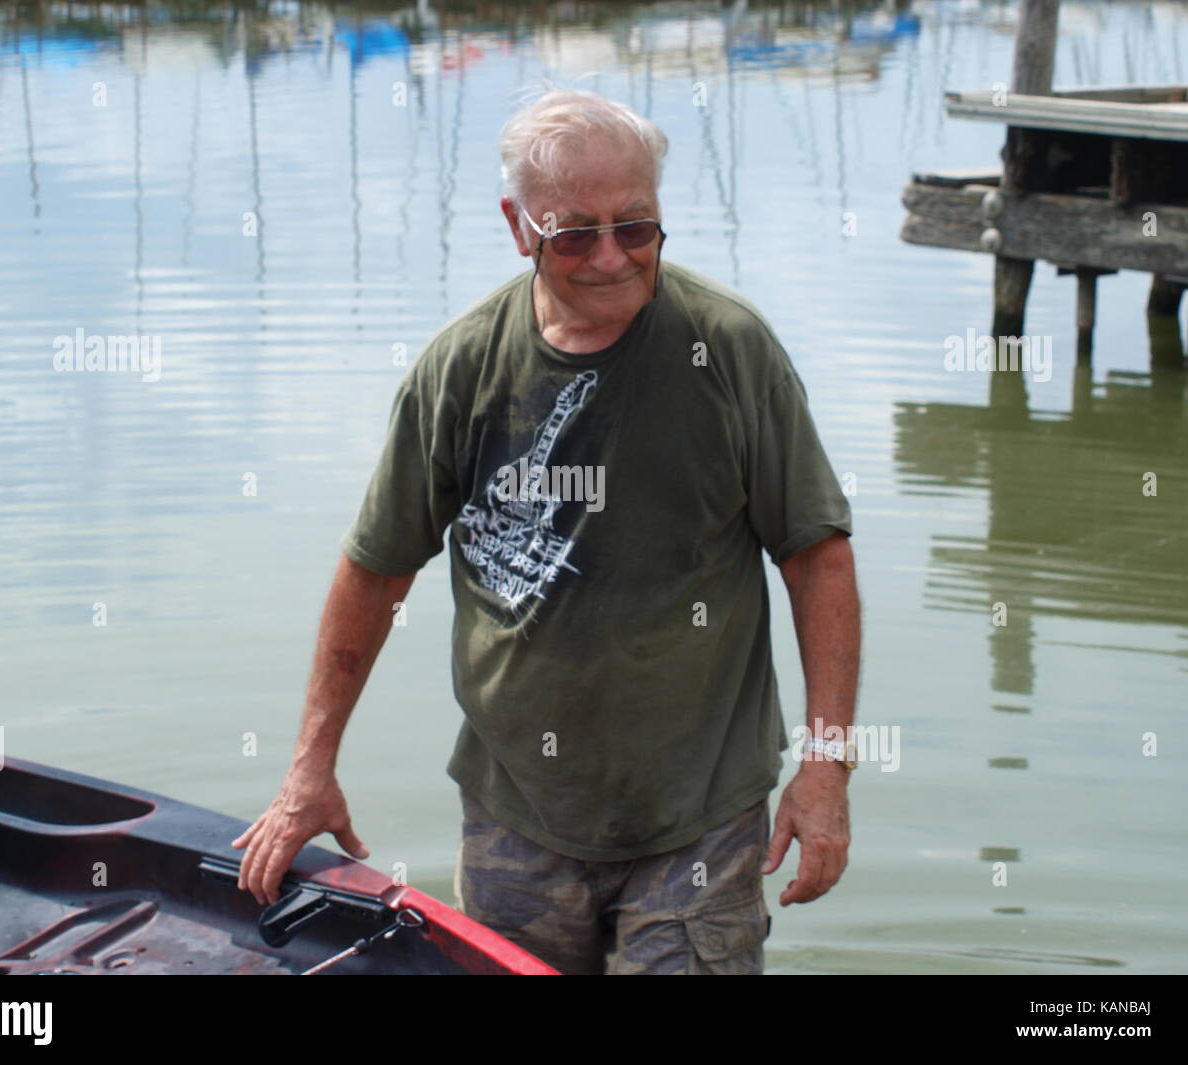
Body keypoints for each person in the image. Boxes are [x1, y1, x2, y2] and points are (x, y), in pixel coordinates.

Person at [232, 89, 860, 975]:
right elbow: (374, 572)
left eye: (635, 228)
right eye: (575, 234)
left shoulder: (728, 350)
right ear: (519, 227)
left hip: (697, 825)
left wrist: (826, 766)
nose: (610, 258)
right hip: (515, 819)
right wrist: (309, 769)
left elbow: (818, 558)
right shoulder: (461, 369)